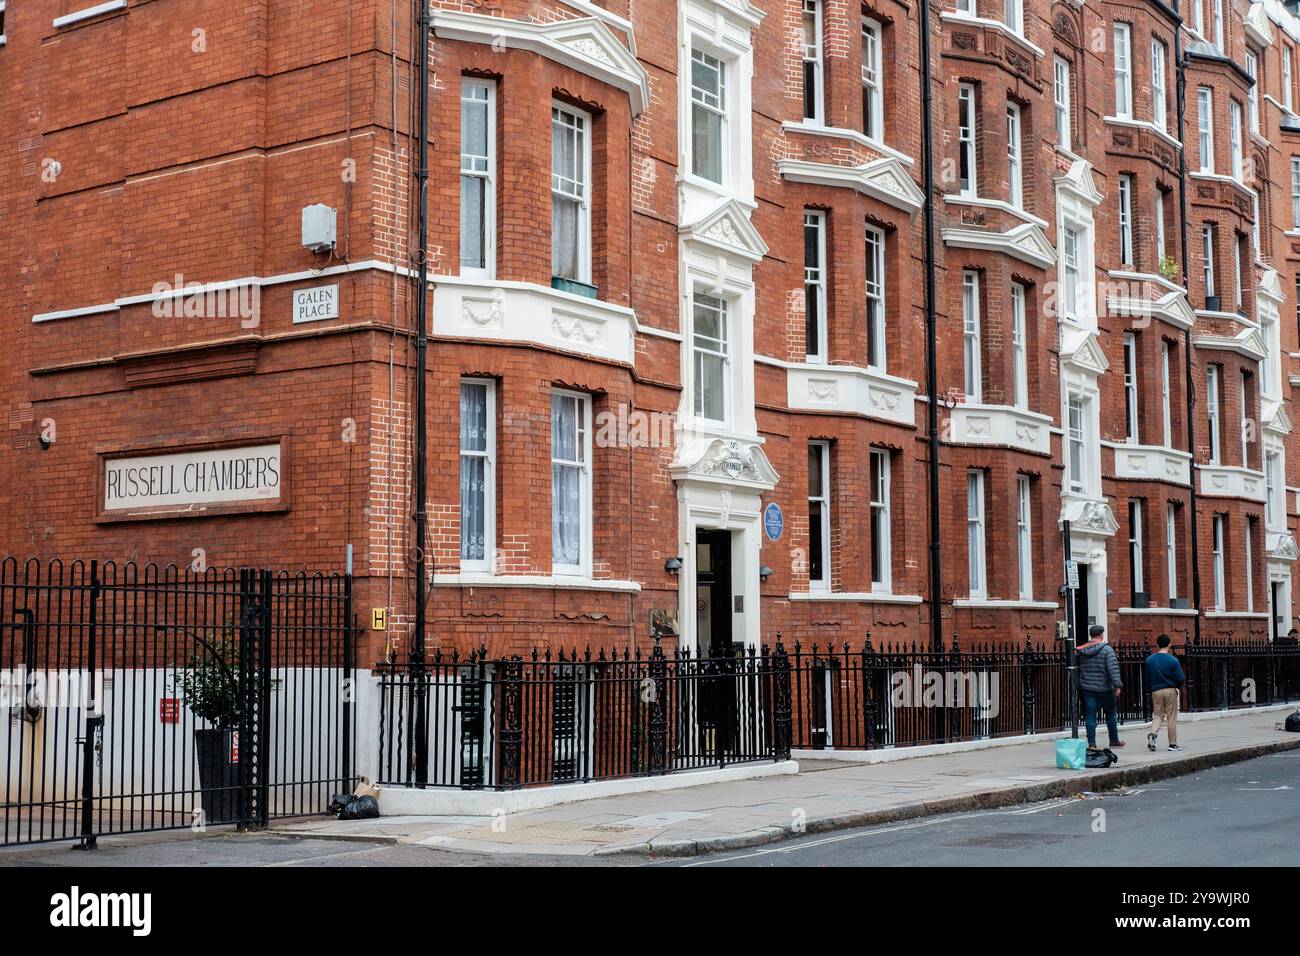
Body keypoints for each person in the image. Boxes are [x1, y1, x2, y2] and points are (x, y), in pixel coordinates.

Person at [1077, 624, 1124, 749]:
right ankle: (1113, 740)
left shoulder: (1082, 650)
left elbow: (1077, 669)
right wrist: (1117, 685)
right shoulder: (1107, 650)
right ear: (1101, 635)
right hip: (1105, 689)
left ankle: (1092, 743)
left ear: (1091, 635)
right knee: (1110, 714)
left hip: (1087, 687)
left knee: (1090, 715)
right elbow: (1112, 669)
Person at [1144, 634, 1185, 752]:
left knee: (1157, 715)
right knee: (1171, 717)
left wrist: (1149, 690)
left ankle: (1153, 734)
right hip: (1170, 690)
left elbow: (1147, 678)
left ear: (1157, 645)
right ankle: (1172, 744)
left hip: (1156, 690)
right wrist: (1177, 686)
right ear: (1169, 645)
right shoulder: (1173, 660)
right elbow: (1180, 677)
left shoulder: (1149, 660)